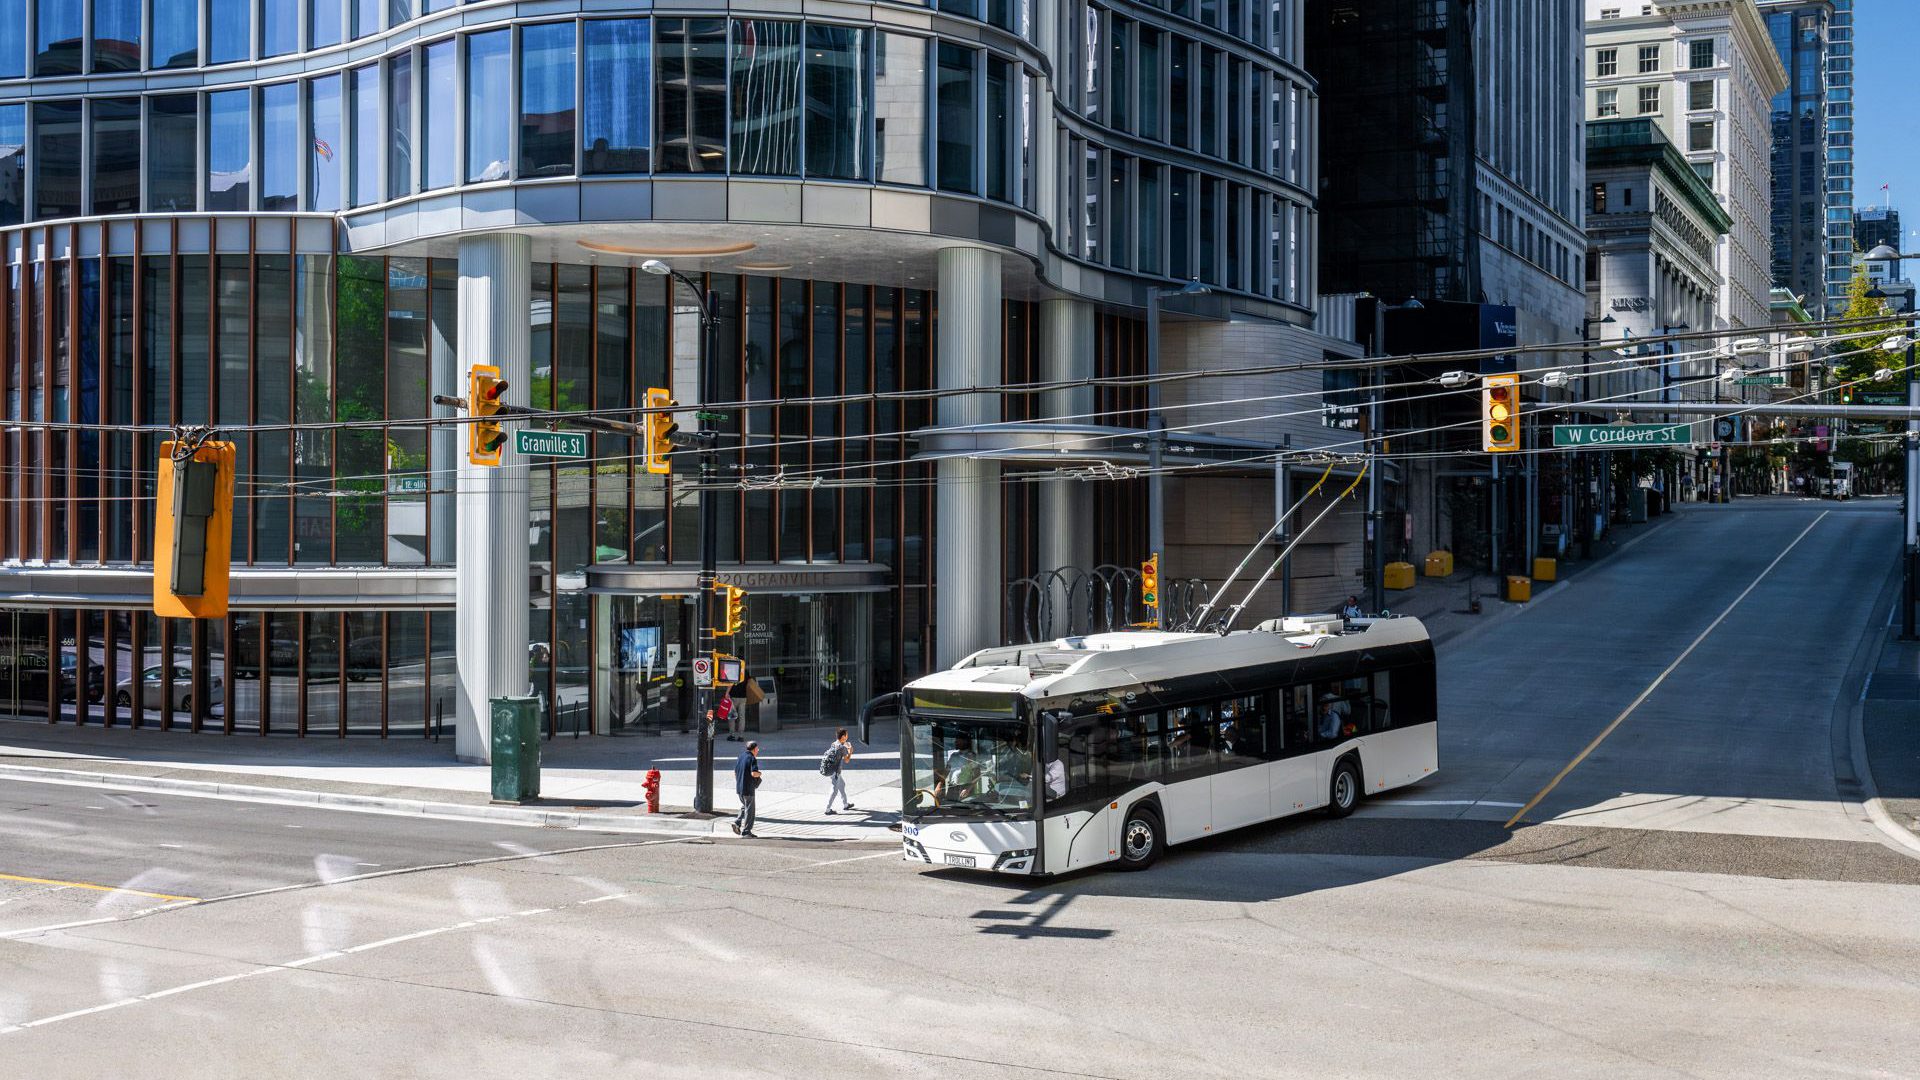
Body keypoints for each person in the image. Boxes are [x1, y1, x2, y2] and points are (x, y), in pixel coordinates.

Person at [823, 727, 856, 815]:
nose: (847, 736)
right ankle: (827, 809)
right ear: (843, 737)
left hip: (831, 769)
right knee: (834, 790)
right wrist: (850, 752)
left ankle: (845, 804)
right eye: (846, 735)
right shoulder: (842, 748)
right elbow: (847, 760)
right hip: (835, 772)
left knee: (842, 784)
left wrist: (846, 745)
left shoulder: (834, 743)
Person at [731, 740, 761, 837]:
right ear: (755, 749)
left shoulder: (741, 756)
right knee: (750, 810)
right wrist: (760, 773)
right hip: (748, 788)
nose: (758, 750)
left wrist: (740, 782)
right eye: (757, 748)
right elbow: (754, 773)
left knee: (745, 806)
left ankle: (737, 822)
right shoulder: (752, 758)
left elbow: (735, 772)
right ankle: (746, 831)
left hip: (739, 788)